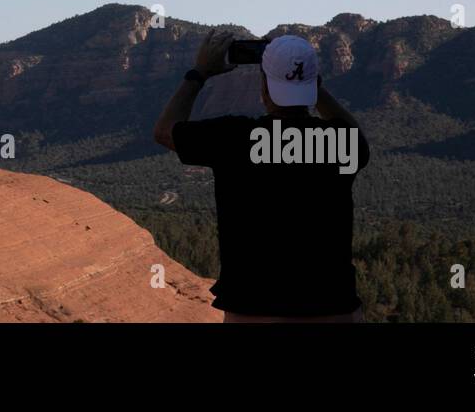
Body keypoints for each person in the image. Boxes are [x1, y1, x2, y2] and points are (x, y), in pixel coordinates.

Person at [152, 30, 371, 322]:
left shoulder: (235, 138)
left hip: (254, 310)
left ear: (264, 86)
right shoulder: (341, 142)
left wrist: (199, 73)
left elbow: (165, 130)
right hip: (333, 308)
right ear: (314, 83)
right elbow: (349, 127)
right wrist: (309, 85)